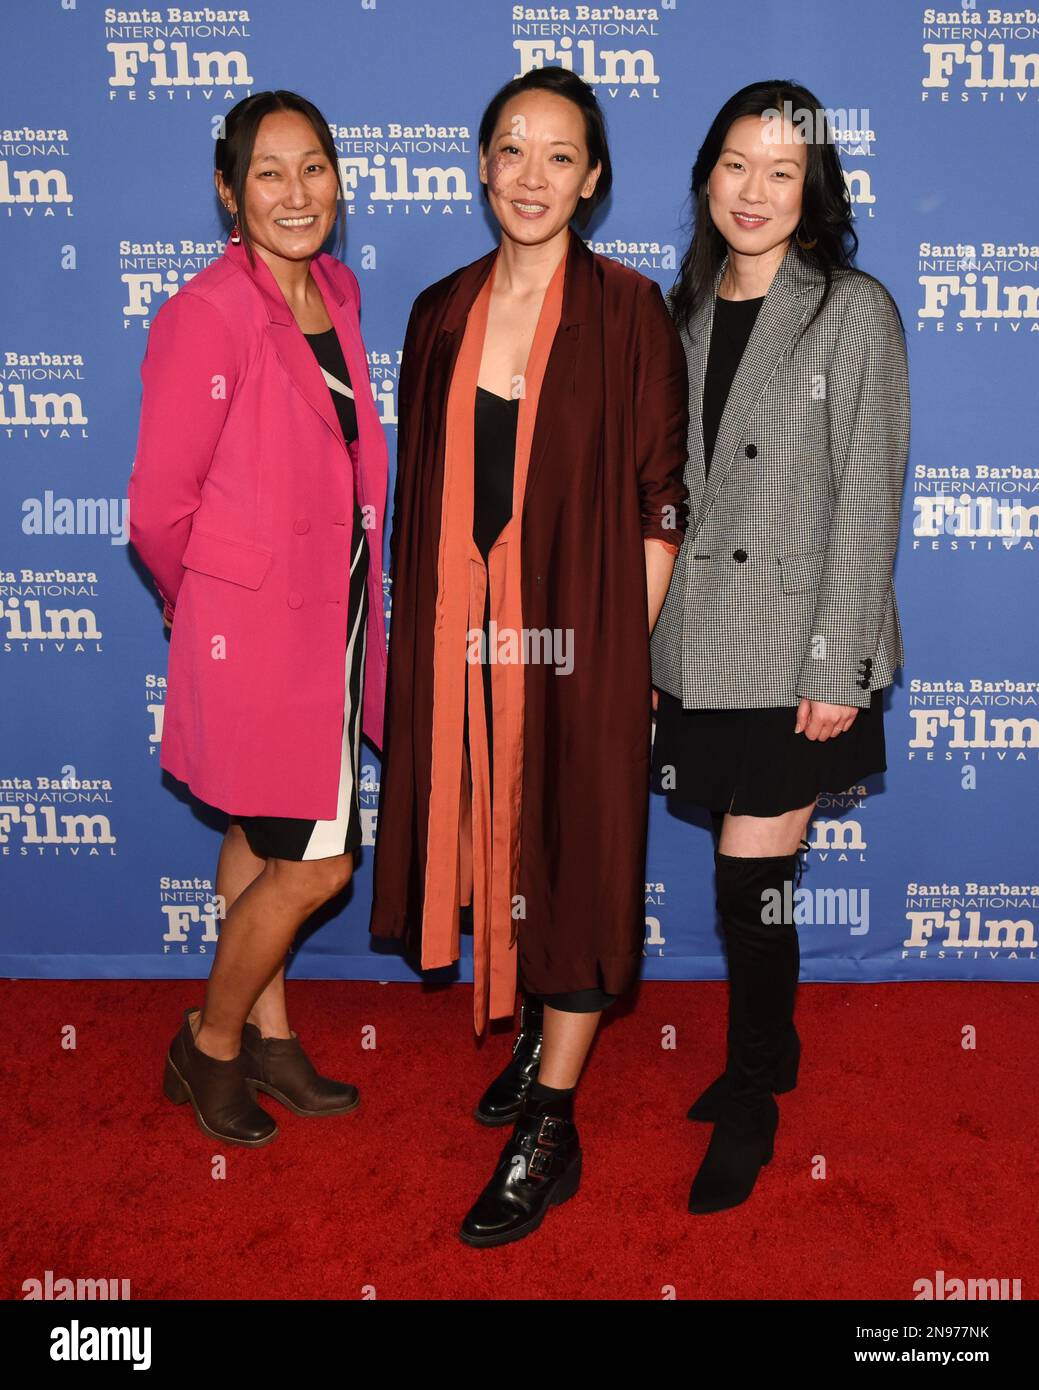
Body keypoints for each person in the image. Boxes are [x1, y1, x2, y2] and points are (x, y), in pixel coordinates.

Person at [369, 67, 689, 1246]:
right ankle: (532, 1045)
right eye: (514, 148)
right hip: (463, 639)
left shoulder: (628, 310)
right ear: (482, 165)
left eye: (562, 155)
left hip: (581, 646)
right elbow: (420, 507)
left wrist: (611, 658)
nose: (534, 174)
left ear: (592, 180)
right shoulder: (439, 310)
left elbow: (663, 505)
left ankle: (550, 1122)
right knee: (494, 837)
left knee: (575, 853)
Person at [651, 80, 910, 1214]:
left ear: (811, 196)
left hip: (799, 649)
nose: (752, 191)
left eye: (780, 171)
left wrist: (837, 666)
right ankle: (778, 1051)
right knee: (743, 882)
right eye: (734, 166)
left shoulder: (850, 308)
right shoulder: (682, 315)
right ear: (707, 177)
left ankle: (754, 1092)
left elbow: (869, 499)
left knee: (750, 885)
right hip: (699, 649)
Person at [128, 90, 388, 1147]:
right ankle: (212, 1039)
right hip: (256, 641)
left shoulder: (335, 288)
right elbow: (156, 508)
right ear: (228, 193)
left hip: (335, 619)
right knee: (319, 862)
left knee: (256, 829)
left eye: (314, 166)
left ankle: (272, 1034)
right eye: (268, 173)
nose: (296, 192)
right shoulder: (208, 311)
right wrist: (216, 620)